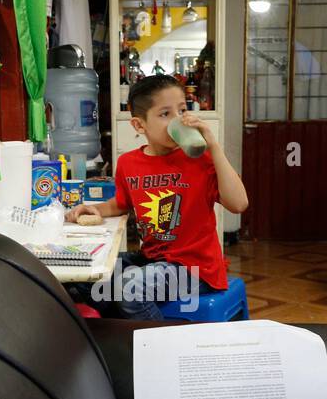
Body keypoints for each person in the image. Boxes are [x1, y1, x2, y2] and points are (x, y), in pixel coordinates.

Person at [65, 74, 248, 320]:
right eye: (165, 114)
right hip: (152, 259)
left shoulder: (200, 160)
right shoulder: (129, 163)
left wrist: (213, 145)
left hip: (194, 268)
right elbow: (122, 204)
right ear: (139, 125)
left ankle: (159, 351)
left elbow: (238, 204)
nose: (178, 120)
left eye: (182, 110)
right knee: (88, 272)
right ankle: (124, 332)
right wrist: (95, 209)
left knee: (130, 288)